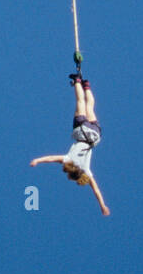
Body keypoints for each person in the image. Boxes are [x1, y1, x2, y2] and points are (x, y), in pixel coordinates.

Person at [30, 74, 111, 216]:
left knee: (90, 107)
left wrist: (102, 205)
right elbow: (50, 158)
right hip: (81, 131)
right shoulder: (69, 160)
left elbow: (96, 190)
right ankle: (77, 81)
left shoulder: (86, 170)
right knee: (80, 102)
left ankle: (87, 86)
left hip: (94, 135)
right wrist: (37, 161)